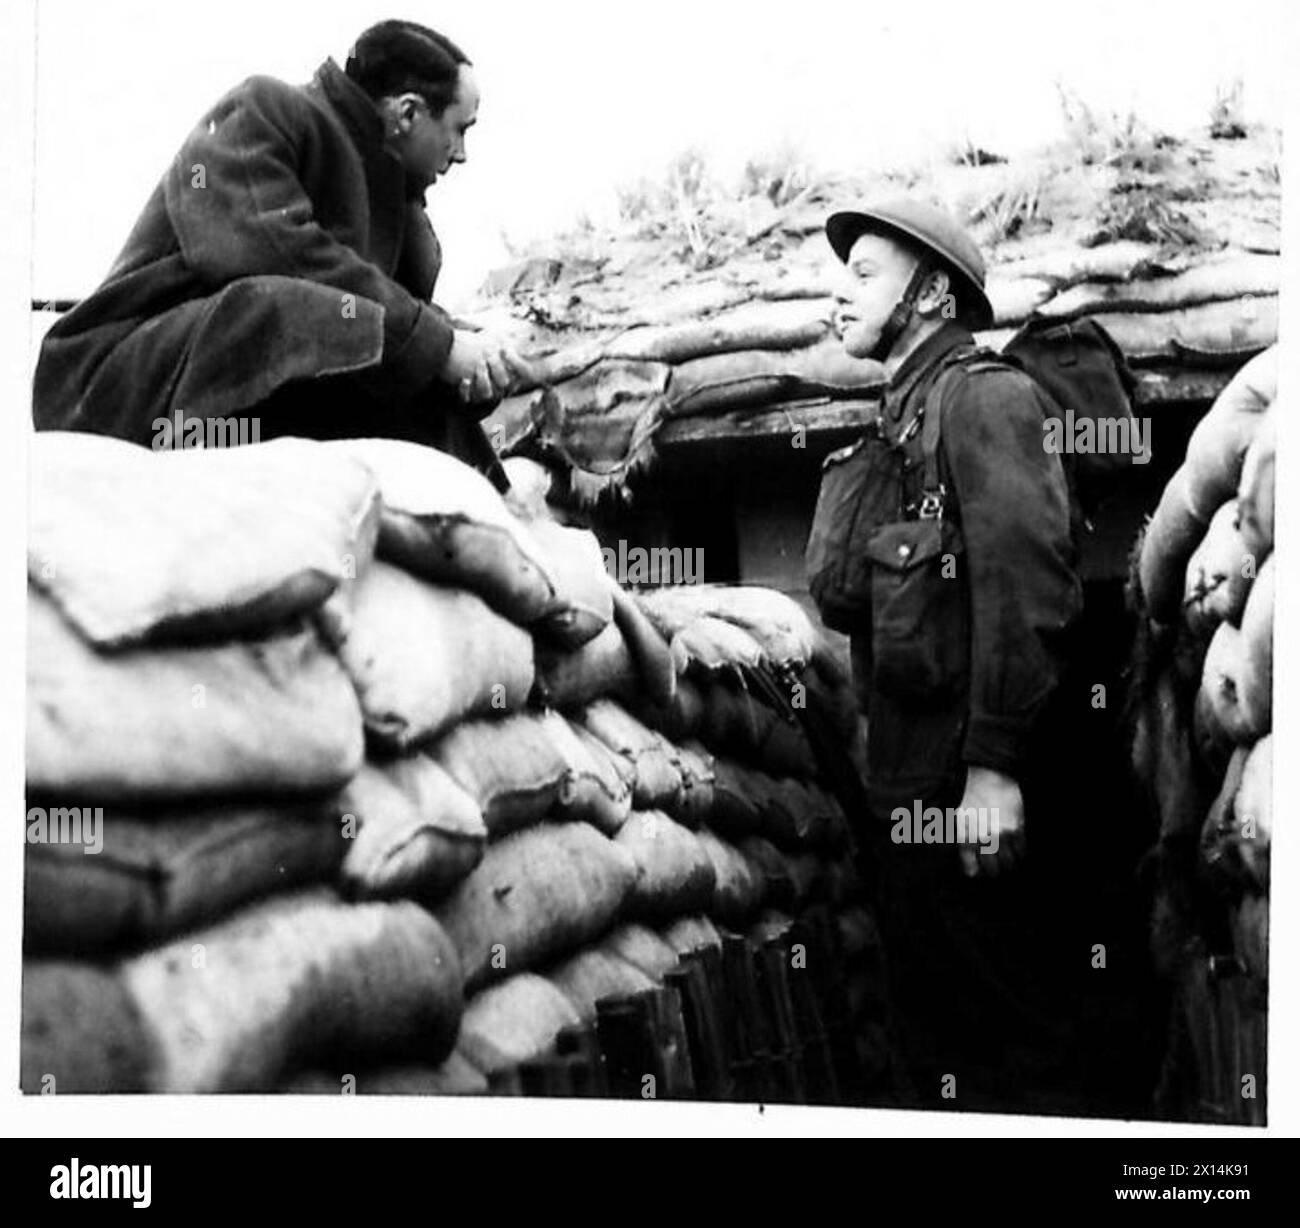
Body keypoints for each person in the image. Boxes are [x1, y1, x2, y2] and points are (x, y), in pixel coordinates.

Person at [808, 198, 1097, 1112]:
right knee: (941, 1052)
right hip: (915, 805)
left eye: (865, 275)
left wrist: (996, 770)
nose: (838, 296)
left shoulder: (984, 399)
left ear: (931, 292)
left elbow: (1030, 583)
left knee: (1016, 1052)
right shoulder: (900, 419)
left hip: (970, 803)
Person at [32, 19, 525, 486]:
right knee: (294, 309)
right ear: (409, 112)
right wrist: (434, 344)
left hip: (223, 379)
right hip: (110, 383)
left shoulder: (397, 202)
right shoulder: (265, 109)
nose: (461, 153)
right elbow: (269, 251)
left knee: (390, 355)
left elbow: (395, 328)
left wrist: (472, 361)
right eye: (462, 129)